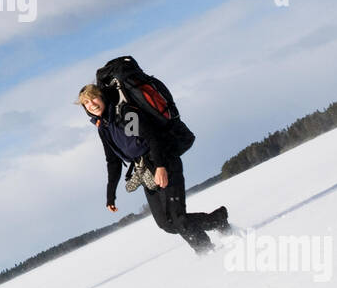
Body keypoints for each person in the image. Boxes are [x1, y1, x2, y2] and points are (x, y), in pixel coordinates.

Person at [77, 78, 232, 255]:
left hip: (163, 161)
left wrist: (161, 166)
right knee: (166, 223)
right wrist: (110, 195)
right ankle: (217, 220)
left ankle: (205, 251)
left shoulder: (125, 113)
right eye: (86, 103)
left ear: (102, 96)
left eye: (93, 98)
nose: (91, 104)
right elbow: (112, 161)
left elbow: (151, 138)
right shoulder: (103, 127)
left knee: (178, 218)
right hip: (144, 171)